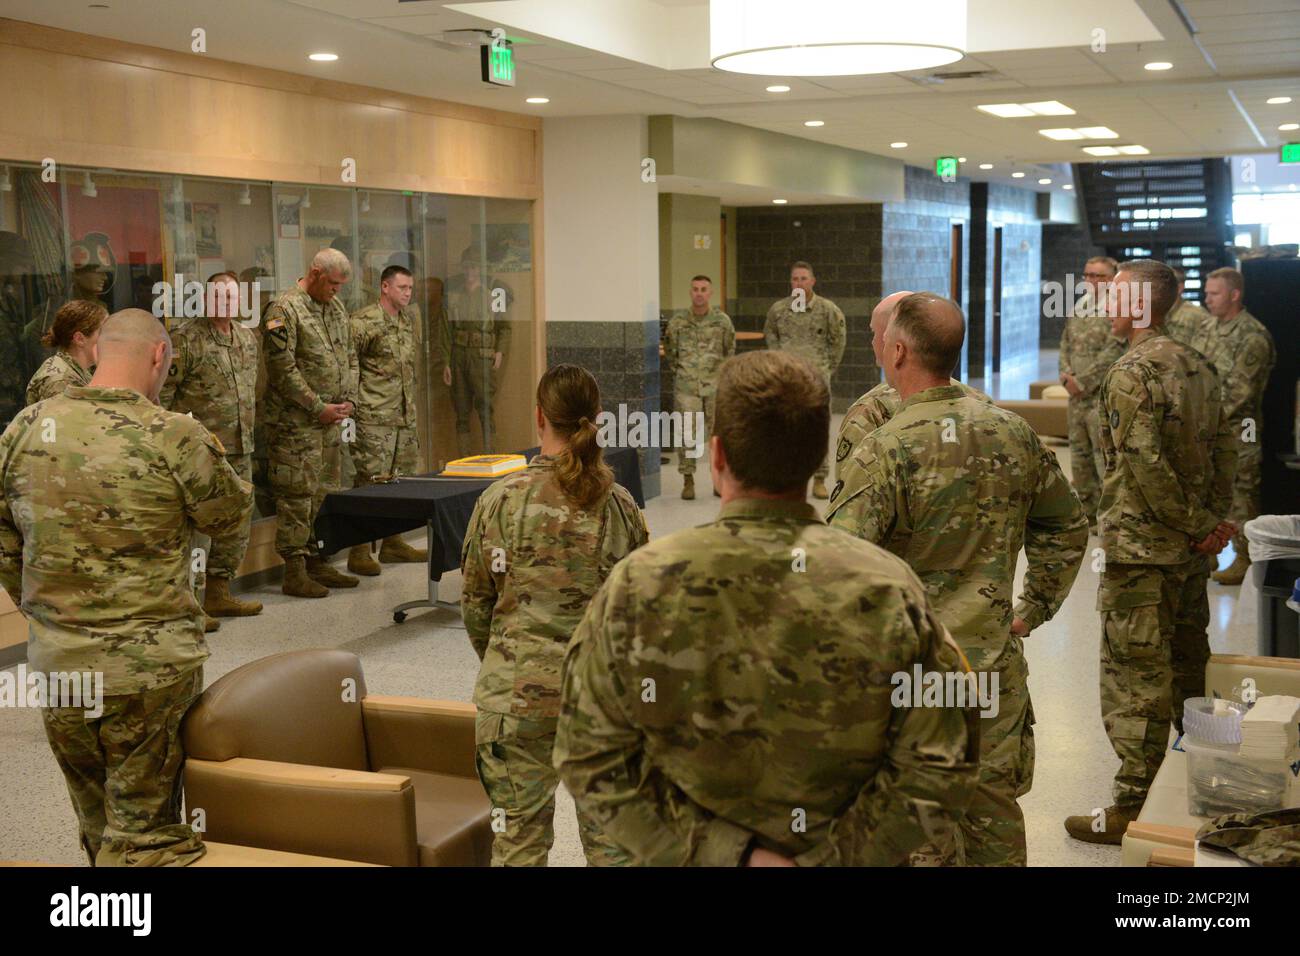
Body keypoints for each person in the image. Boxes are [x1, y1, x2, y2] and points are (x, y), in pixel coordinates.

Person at [555, 349, 980, 866]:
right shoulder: (891, 590)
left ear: (717, 458)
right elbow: (944, 762)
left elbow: (587, 752)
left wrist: (726, 854)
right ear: (818, 459)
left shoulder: (638, 587)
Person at [828, 293, 1087, 866]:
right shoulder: (1012, 432)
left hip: (914, 679)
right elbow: (1068, 524)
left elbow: (836, 572)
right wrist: (1032, 608)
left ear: (898, 352)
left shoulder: (884, 449)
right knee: (993, 816)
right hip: (992, 668)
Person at [0, 309, 251, 866]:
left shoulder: (26, 427)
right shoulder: (175, 434)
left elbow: (5, 542)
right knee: (146, 833)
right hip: (148, 672)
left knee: (95, 821)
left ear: (99, 352)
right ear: (159, 356)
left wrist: (44, 611)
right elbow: (229, 517)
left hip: (60, 664)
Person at [1064, 259, 1237, 845]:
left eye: (1114, 296)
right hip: (1189, 551)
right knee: (1190, 664)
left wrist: (1196, 523)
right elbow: (1226, 451)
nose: (1105, 306)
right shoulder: (1199, 364)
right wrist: (1211, 525)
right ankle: (1207, 784)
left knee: (1135, 679)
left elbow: (1144, 466)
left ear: (1138, 305)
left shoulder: (1129, 372)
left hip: (1142, 553)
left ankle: (1134, 807)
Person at [460, 364, 648, 866]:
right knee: (614, 850)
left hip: (516, 700)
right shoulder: (621, 506)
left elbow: (476, 606)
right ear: (597, 419)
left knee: (518, 846)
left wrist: (507, 661)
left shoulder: (500, 500)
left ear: (539, 417)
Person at [159, 272, 261, 628]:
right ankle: (191, 602)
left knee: (236, 521)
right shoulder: (185, 339)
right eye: (218, 297)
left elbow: (253, 389)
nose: (225, 304)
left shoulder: (247, 338)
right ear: (205, 299)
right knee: (199, 527)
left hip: (240, 446)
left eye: (231, 297)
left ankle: (219, 592)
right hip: (201, 450)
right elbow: (164, 395)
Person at [261, 248, 360, 598]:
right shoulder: (284, 309)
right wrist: (317, 407)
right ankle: (294, 571)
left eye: (341, 285)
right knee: (297, 497)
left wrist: (350, 398)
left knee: (324, 493)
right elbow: (281, 369)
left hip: (331, 422)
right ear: (315, 273)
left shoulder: (335, 307)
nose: (337, 290)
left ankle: (318, 561)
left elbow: (350, 356)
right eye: (332, 283)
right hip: (296, 425)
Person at [833, 290, 989, 487]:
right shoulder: (983, 403)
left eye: (875, 333)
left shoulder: (869, 413)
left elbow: (851, 493)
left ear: (894, 343)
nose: (872, 342)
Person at [1190, 267, 1277, 587]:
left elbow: (1241, 393)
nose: (1207, 299)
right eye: (1206, 292)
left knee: (1241, 495)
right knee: (1206, 491)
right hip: (1206, 429)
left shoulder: (1252, 336)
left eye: (1214, 293)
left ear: (1235, 294)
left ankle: (1244, 557)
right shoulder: (1206, 327)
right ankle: (1207, 551)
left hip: (1240, 431)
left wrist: (1199, 418)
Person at [346, 265, 427, 576]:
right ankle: (359, 550)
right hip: (373, 416)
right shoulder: (363, 322)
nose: (408, 293)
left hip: (403, 415)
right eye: (402, 287)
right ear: (384, 287)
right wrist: (352, 404)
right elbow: (349, 364)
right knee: (369, 482)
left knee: (401, 481)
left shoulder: (407, 321)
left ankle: (393, 542)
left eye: (410, 288)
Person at [762, 261, 845, 499]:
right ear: (791, 282)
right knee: (785, 428)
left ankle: (819, 478)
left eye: (803, 278)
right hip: (786, 379)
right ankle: (788, 478)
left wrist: (826, 368)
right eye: (795, 279)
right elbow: (771, 336)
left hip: (816, 379)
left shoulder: (827, 310)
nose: (799, 283)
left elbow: (838, 341)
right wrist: (780, 363)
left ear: (812, 281)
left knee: (818, 428)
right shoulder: (778, 310)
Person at [1059, 256, 1124, 532]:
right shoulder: (1080, 306)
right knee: (1079, 456)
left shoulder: (1117, 309)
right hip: (1076, 398)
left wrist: (1083, 382)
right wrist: (1066, 375)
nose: (1091, 281)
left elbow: (1114, 350)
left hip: (1099, 396)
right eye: (1087, 275)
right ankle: (1087, 512)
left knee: (1103, 458)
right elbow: (1065, 343)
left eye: (1099, 276)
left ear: (1112, 279)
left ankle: (1108, 517)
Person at [663, 274, 734, 500]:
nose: (699, 294)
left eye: (704, 289)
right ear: (690, 292)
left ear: (710, 293)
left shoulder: (722, 321)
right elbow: (671, 353)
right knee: (687, 433)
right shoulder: (678, 322)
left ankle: (718, 479)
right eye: (695, 289)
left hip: (715, 386)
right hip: (687, 386)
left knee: (718, 435)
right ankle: (688, 479)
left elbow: (729, 350)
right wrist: (684, 373)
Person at [439, 246, 512, 458]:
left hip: (482, 357)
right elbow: (445, 330)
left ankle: (491, 456)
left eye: (474, 267)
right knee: (461, 411)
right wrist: (446, 361)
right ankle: (464, 460)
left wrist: (500, 351)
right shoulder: (453, 295)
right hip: (459, 356)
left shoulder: (493, 294)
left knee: (486, 409)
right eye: (467, 267)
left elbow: (504, 327)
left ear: (481, 269)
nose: (470, 272)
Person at [25, 299, 106, 405]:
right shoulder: (60, 381)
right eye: (103, 332)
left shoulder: (79, 369)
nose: (108, 339)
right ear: (79, 339)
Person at [1163, 267, 1210, 346]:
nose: (1160, 288)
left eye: (1165, 285)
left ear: (1179, 288)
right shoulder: (1155, 313)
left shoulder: (1198, 315)